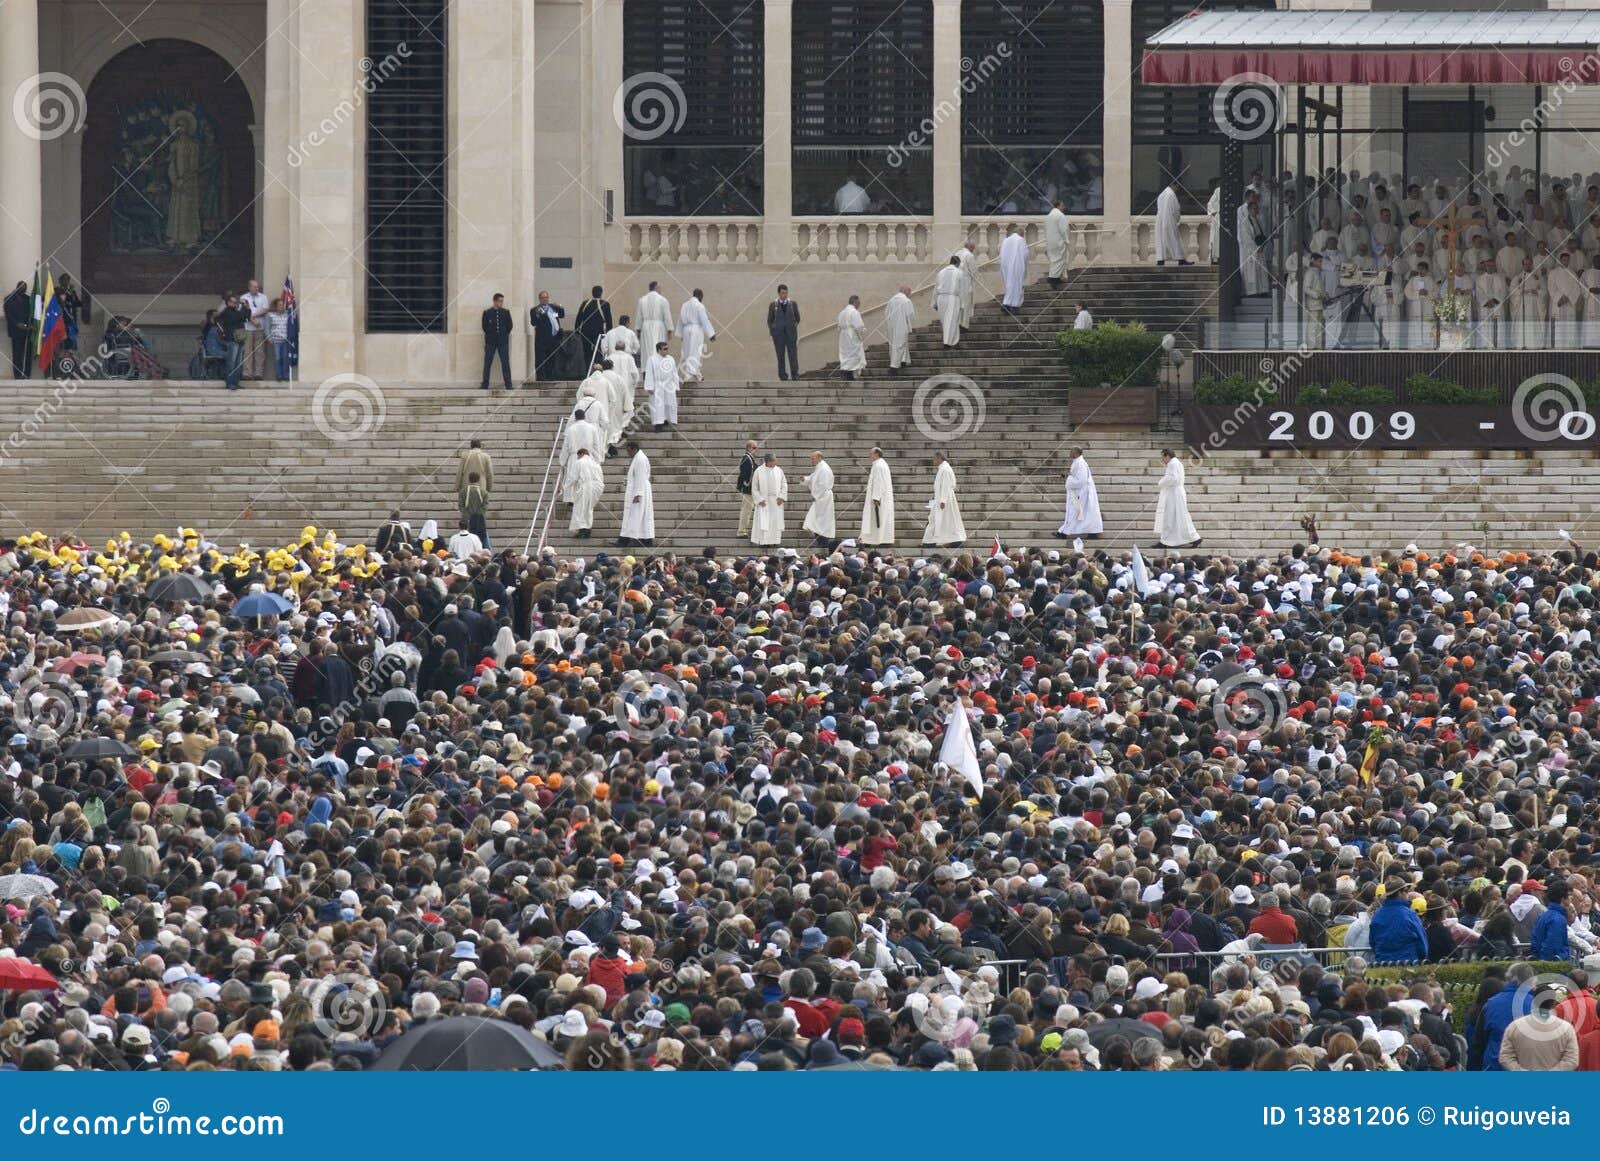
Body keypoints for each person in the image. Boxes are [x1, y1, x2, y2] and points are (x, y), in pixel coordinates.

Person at [1154, 449, 1199, 548]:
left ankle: (1165, 541)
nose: (1162, 460)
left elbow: (1173, 478)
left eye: (1162, 457)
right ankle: (1194, 537)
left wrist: (1161, 482)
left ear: (1167, 456)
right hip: (1176, 492)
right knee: (1180, 516)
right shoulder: (1177, 463)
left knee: (1169, 516)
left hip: (1174, 493)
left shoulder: (1172, 464)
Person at [562, 407, 606, 504]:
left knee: (573, 477)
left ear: (575, 417)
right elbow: (596, 445)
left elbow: (565, 446)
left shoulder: (570, 429)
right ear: (584, 416)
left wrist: (562, 461)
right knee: (585, 477)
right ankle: (585, 497)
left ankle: (572, 499)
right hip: (587, 456)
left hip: (574, 457)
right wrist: (598, 459)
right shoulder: (592, 428)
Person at [922, 451, 965, 549]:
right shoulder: (943, 469)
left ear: (939, 458)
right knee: (944, 520)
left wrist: (943, 500)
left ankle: (930, 542)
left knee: (941, 520)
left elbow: (946, 485)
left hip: (944, 500)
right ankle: (932, 541)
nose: (933, 461)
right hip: (942, 498)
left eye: (934, 459)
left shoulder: (945, 469)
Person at [457, 439, 494, 549]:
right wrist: (489, 488)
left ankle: (467, 533)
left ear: (471, 446)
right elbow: (490, 474)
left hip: (466, 486)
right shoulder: (486, 456)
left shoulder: (465, 455)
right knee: (480, 517)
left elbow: (460, 471)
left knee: (467, 513)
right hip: (481, 486)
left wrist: (457, 486)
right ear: (480, 446)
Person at [1058, 447, 1102, 539]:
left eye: (1071, 452)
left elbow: (1080, 481)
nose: (1069, 453)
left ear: (1076, 453)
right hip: (1080, 493)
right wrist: (1068, 476)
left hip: (1080, 494)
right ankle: (1091, 532)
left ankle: (1064, 533)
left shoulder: (1080, 463)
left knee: (1074, 513)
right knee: (1081, 514)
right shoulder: (1078, 462)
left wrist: (1068, 479)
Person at [619, 442, 654, 546]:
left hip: (640, 490)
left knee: (636, 515)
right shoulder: (638, 458)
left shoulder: (640, 459)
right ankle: (644, 539)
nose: (628, 453)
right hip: (640, 488)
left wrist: (638, 494)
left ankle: (636, 538)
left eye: (628, 451)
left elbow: (640, 477)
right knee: (640, 515)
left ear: (633, 449)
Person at [676, 289, 714, 383]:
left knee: (687, 352)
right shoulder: (699, 306)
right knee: (695, 353)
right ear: (700, 296)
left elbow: (680, 320)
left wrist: (680, 333)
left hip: (686, 330)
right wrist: (711, 334)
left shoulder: (684, 305)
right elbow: (704, 320)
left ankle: (697, 374)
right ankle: (689, 376)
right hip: (696, 330)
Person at [750, 452, 787, 547]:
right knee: (763, 521)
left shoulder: (779, 470)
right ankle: (763, 542)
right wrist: (759, 499)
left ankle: (774, 541)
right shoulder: (759, 471)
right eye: (774, 460)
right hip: (764, 501)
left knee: (775, 521)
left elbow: (784, 484)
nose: (776, 461)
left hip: (776, 501)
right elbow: (754, 487)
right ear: (769, 461)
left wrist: (782, 497)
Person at [860, 446, 895, 546]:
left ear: (876, 454)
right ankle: (880, 539)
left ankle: (874, 540)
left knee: (876, 521)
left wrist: (876, 497)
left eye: (871, 454)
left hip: (878, 499)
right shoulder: (881, 464)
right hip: (882, 498)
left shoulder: (878, 466)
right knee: (879, 520)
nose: (869, 456)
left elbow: (878, 482)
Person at [567, 448, 604, 539]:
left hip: (585, 487)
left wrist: (564, 488)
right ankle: (587, 530)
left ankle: (583, 531)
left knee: (581, 510)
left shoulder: (579, 462)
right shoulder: (596, 464)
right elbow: (601, 478)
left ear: (581, 454)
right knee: (589, 510)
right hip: (596, 488)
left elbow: (573, 478)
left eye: (578, 456)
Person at [574, 286, 613, 371]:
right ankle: (597, 370)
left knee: (587, 353)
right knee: (599, 353)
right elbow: (609, 320)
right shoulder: (605, 304)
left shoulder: (585, 303)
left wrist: (577, 330)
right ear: (601, 293)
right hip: (598, 333)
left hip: (585, 333)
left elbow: (578, 318)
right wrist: (609, 333)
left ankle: (587, 370)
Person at [1237, 191, 1268, 297]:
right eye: (1255, 209)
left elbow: (1261, 231)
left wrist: (1262, 243)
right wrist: (1255, 247)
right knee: (1251, 271)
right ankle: (1251, 291)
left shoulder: (1257, 218)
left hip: (1259, 247)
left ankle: (1261, 290)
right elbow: (1245, 234)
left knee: (1260, 270)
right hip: (1249, 249)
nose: (1257, 210)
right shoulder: (1243, 215)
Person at [802, 451, 835, 548]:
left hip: (823, 498)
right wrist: (805, 479)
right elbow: (812, 479)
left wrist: (816, 495)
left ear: (819, 457)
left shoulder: (824, 468)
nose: (811, 461)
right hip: (820, 498)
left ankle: (823, 542)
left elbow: (823, 485)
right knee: (816, 521)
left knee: (821, 521)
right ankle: (820, 541)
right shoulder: (819, 468)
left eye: (813, 458)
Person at [644, 340, 679, 431]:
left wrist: (676, 384)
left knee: (670, 403)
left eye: (667, 349)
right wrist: (649, 387)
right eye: (665, 349)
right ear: (659, 350)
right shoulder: (652, 359)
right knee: (658, 404)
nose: (667, 351)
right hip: (658, 384)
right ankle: (658, 423)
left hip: (669, 384)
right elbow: (649, 373)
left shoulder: (670, 358)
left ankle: (667, 419)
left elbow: (674, 371)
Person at [481, 293, 514, 390]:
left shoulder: (506, 312)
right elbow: (484, 327)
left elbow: (510, 326)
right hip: (490, 342)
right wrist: (491, 334)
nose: (501, 303)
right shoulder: (487, 313)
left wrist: (503, 334)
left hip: (503, 341)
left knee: (505, 362)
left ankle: (508, 384)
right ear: (495, 301)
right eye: (500, 301)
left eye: (502, 301)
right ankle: (485, 384)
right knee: (487, 362)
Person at [767, 285, 800, 380]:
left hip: (791, 334)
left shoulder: (793, 304)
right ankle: (783, 375)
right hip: (778, 335)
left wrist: (792, 328)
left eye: (786, 292)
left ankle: (795, 374)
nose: (784, 295)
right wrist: (773, 332)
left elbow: (797, 318)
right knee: (780, 356)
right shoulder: (773, 305)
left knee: (793, 354)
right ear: (779, 293)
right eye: (782, 293)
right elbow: (769, 320)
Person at [217, 292, 249, 390]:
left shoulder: (236, 311)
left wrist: (247, 307)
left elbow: (245, 317)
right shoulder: (227, 312)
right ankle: (230, 383)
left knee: (238, 363)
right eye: (233, 302)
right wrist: (243, 308)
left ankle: (235, 382)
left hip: (239, 339)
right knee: (231, 362)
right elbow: (238, 317)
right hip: (232, 339)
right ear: (228, 303)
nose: (236, 304)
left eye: (236, 302)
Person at [532, 291, 565, 381]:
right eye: (543, 298)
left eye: (546, 297)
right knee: (541, 359)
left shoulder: (553, 308)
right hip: (541, 340)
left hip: (553, 338)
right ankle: (541, 378)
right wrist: (538, 315)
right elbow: (533, 322)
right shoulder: (535, 310)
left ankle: (551, 376)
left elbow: (561, 315)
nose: (545, 299)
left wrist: (559, 306)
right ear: (539, 299)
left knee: (552, 358)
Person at [242, 278, 269, 380]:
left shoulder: (263, 297)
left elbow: (265, 309)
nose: (257, 288)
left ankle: (258, 373)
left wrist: (253, 315)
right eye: (254, 286)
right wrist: (252, 319)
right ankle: (247, 373)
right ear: (249, 287)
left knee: (259, 352)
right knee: (247, 351)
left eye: (257, 286)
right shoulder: (244, 297)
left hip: (260, 327)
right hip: (248, 328)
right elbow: (243, 312)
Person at [636, 282, 673, 357]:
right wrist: (669, 330)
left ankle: (647, 367)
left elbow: (639, 317)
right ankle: (658, 366)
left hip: (645, 327)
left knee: (647, 349)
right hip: (659, 327)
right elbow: (667, 316)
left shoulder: (642, 300)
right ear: (656, 288)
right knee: (659, 347)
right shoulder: (663, 300)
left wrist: (638, 330)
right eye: (659, 288)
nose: (660, 290)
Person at [1155, 179, 1186, 266]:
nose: (1178, 189)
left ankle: (1160, 260)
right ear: (1174, 185)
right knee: (1174, 239)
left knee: (1161, 240)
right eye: (1178, 187)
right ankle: (1181, 259)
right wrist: (1176, 219)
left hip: (1161, 220)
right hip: (1169, 220)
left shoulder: (1162, 194)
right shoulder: (1171, 194)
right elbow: (1175, 209)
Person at [4, 281, 31, 378]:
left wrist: (29, 325)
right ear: (17, 288)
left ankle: (26, 374)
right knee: (17, 356)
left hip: (27, 331)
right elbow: (9, 315)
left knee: (27, 356)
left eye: (25, 289)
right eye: (22, 288)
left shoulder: (28, 299)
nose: (24, 290)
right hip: (16, 332)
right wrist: (17, 324)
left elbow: (30, 313)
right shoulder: (8, 299)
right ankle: (18, 376)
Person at [885, 286, 915, 372]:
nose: (909, 295)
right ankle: (894, 367)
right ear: (906, 291)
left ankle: (903, 361)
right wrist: (909, 325)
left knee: (894, 344)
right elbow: (910, 315)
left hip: (892, 326)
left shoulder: (891, 300)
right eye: (909, 293)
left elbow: (886, 313)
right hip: (902, 325)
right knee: (900, 344)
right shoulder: (906, 301)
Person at [999, 226, 1028, 313]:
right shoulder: (1020, 240)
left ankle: (1009, 304)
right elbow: (1025, 254)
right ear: (1021, 233)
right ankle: (1012, 304)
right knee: (1017, 284)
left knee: (1009, 284)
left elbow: (1001, 254)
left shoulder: (1006, 240)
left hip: (1006, 266)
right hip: (1017, 265)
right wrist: (1025, 266)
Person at [935, 259, 963, 348]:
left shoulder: (940, 272)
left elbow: (935, 288)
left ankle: (955, 341)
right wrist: (963, 303)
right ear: (958, 263)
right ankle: (947, 342)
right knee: (951, 319)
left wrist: (935, 302)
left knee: (947, 320)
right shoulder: (959, 272)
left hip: (940, 297)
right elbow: (962, 288)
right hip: (952, 297)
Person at [836, 295, 865, 380]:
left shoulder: (842, 312)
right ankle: (850, 374)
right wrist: (863, 330)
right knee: (854, 354)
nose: (859, 305)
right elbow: (858, 326)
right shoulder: (854, 312)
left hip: (843, 336)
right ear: (855, 302)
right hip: (852, 335)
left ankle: (845, 371)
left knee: (845, 355)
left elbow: (839, 326)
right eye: (859, 303)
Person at [735, 439, 759, 539]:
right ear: (749, 448)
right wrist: (744, 485)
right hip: (748, 488)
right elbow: (744, 474)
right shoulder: (746, 458)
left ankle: (744, 530)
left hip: (750, 488)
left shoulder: (750, 458)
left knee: (748, 510)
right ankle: (741, 531)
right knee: (746, 510)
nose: (756, 450)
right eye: (754, 448)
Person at [1045, 199, 1071, 287]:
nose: (1064, 207)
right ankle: (1053, 278)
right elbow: (1063, 230)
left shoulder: (1048, 216)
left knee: (1053, 259)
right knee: (1059, 259)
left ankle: (1058, 276)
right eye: (1063, 206)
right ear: (1058, 206)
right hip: (1059, 241)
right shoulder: (1060, 215)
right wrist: (1066, 240)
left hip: (1050, 241)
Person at [266, 297, 292, 382]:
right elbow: (267, 328)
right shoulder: (270, 315)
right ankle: (279, 375)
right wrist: (269, 338)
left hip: (285, 341)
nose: (282, 306)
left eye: (283, 305)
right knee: (277, 358)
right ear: (276, 306)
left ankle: (285, 375)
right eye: (280, 305)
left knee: (285, 358)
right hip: (276, 341)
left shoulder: (287, 314)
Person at [955, 241, 977, 328]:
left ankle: (958, 322)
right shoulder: (969, 255)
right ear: (971, 248)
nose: (973, 250)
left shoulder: (957, 253)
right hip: (966, 282)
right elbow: (974, 270)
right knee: (966, 303)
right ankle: (964, 324)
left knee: (959, 303)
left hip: (957, 281)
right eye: (973, 248)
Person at [1206, 179, 1221, 264]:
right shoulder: (1218, 190)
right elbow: (1210, 203)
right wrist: (1214, 212)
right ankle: (1216, 257)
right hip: (1218, 218)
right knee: (1216, 239)